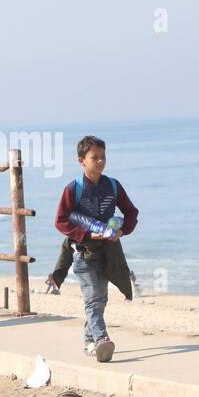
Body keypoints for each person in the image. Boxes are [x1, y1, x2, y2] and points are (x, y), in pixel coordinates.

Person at [50, 135, 139, 362]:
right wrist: (88, 233)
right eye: (94, 157)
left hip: (108, 252)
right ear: (82, 160)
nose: (100, 161)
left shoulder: (113, 185)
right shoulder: (73, 189)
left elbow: (131, 212)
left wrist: (122, 230)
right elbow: (61, 220)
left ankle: (89, 341)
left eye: (102, 157)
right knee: (92, 298)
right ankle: (102, 340)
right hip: (83, 253)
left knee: (101, 299)